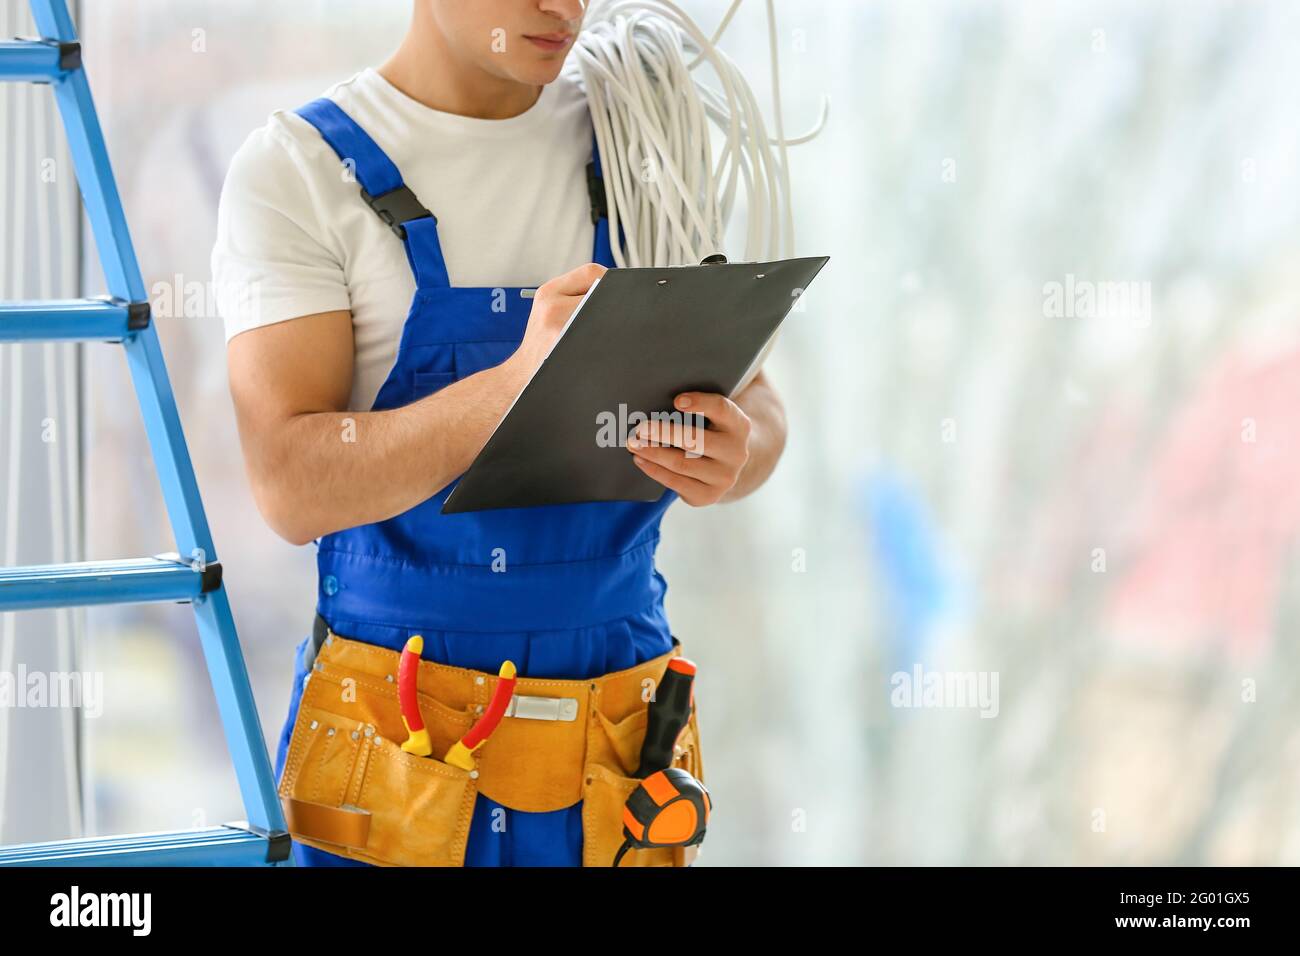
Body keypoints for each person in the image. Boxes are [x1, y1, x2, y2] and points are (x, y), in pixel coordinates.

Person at [213, 0, 787, 867]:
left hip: (620, 741)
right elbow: (292, 487)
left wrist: (740, 454)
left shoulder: (640, 141)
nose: (565, 8)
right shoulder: (299, 171)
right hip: (396, 746)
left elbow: (760, 407)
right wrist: (516, 385)